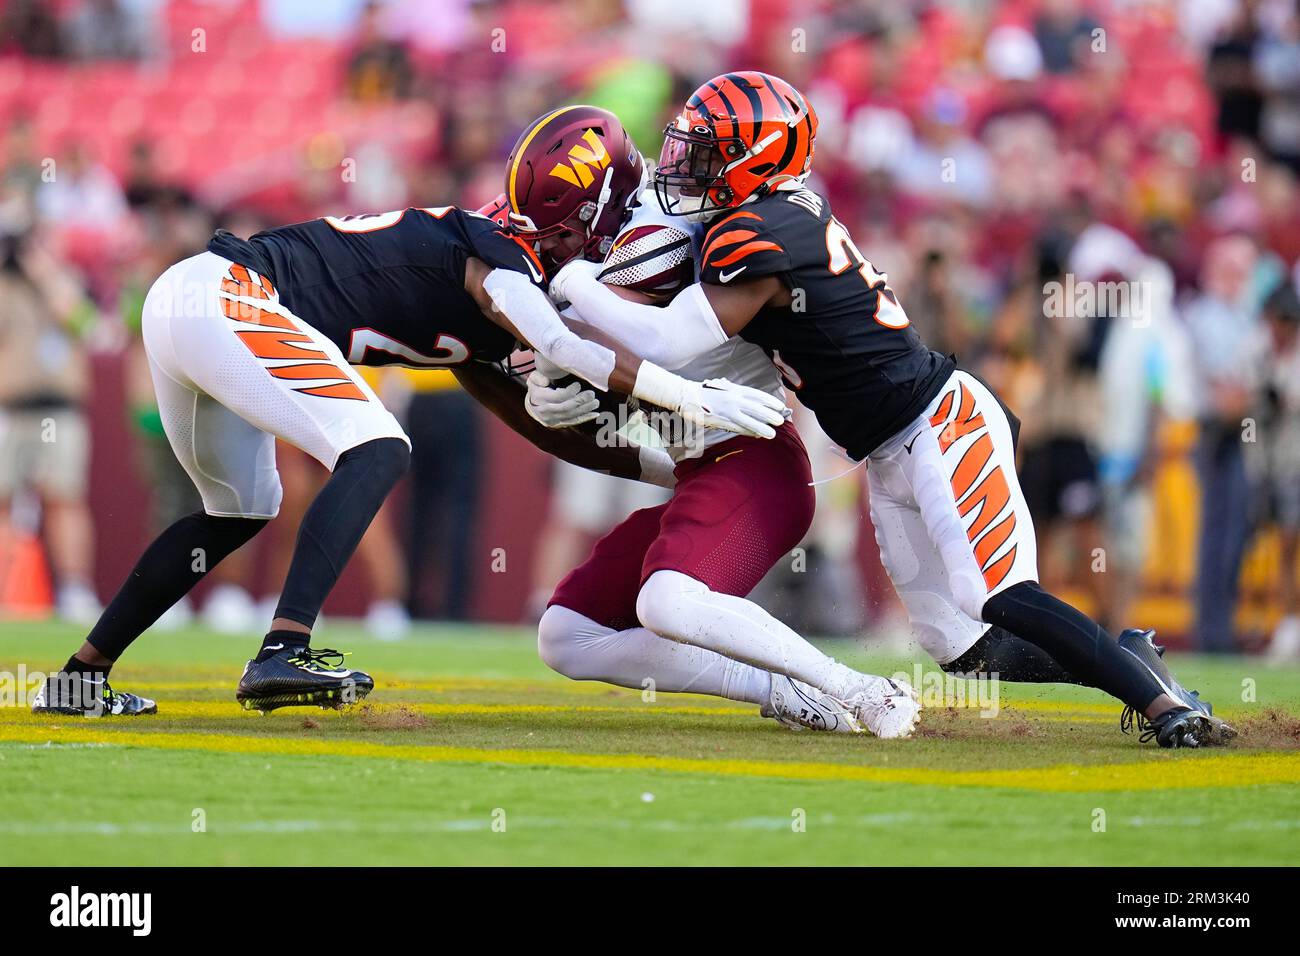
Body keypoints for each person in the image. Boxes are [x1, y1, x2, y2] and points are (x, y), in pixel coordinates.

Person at [543, 71, 1232, 748]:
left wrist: (571, 284)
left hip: (939, 421)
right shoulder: (769, 217)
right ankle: (1129, 660)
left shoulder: (759, 228)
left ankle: (1163, 703)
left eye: (706, 152)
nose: (685, 167)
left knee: (993, 593)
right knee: (963, 650)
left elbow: (669, 337)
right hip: (887, 449)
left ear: (756, 157)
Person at [31, 145, 785, 716]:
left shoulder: (478, 293)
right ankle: (283, 650)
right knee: (380, 445)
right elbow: (560, 347)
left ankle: (80, 677)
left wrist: (667, 470)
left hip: (194, 304)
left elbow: (538, 425)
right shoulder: (495, 253)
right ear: (589, 217)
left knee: (237, 509)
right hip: (227, 297)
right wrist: (688, 397)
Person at [507, 107, 917, 735]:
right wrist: (544, 379)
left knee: (668, 601)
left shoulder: (670, 234)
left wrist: (568, 313)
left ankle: (860, 690)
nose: (556, 246)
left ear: (603, 202)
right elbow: (591, 353)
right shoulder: (639, 230)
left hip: (754, 461)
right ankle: (783, 690)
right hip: (701, 465)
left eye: (566, 229)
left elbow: (652, 342)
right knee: (567, 636)